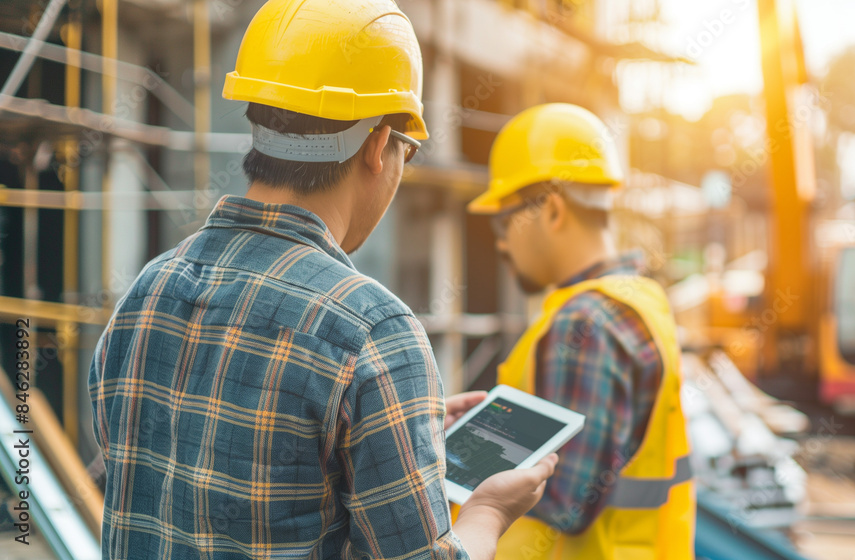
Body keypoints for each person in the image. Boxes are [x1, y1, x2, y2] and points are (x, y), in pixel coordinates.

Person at [88, 1, 555, 558]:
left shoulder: (147, 291)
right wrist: (488, 511)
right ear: (380, 147)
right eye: (409, 149)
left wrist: (389, 426)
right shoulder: (372, 333)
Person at [466, 103, 696, 559]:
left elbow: (567, 500)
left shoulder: (584, 323)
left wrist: (454, 461)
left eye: (503, 220)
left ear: (551, 210)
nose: (500, 241)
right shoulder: (637, 299)